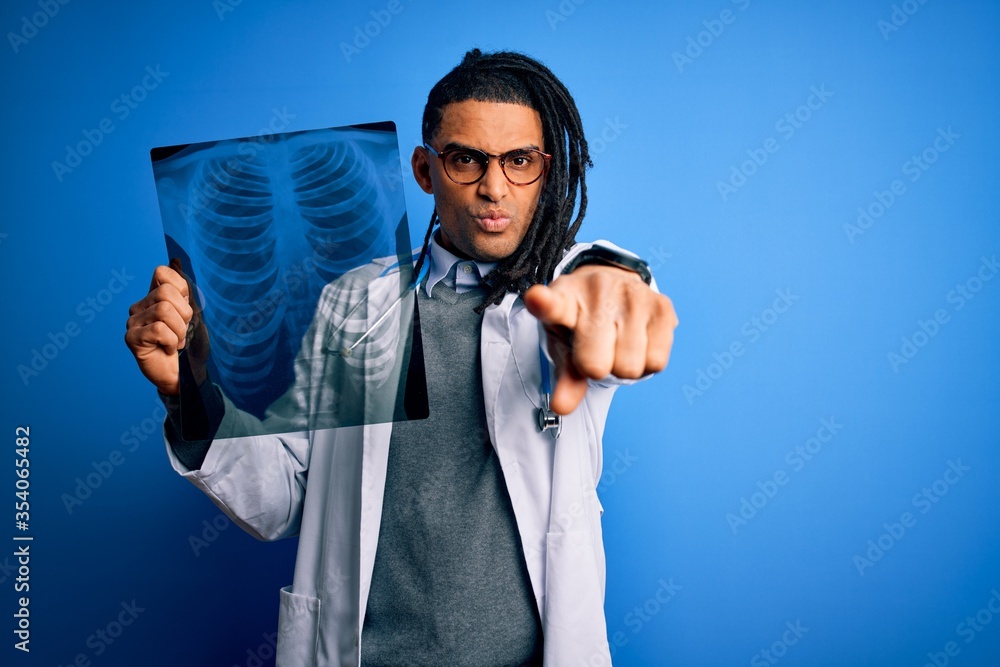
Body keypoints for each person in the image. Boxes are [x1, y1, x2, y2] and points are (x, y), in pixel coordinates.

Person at [124, 49, 677, 666]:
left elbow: (607, 282)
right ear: (424, 169)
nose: (494, 188)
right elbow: (281, 499)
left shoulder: (563, 298)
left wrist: (618, 284)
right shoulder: (352, 302)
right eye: (466, 159)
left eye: (519, 161)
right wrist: (188, 388)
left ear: (546, 171)